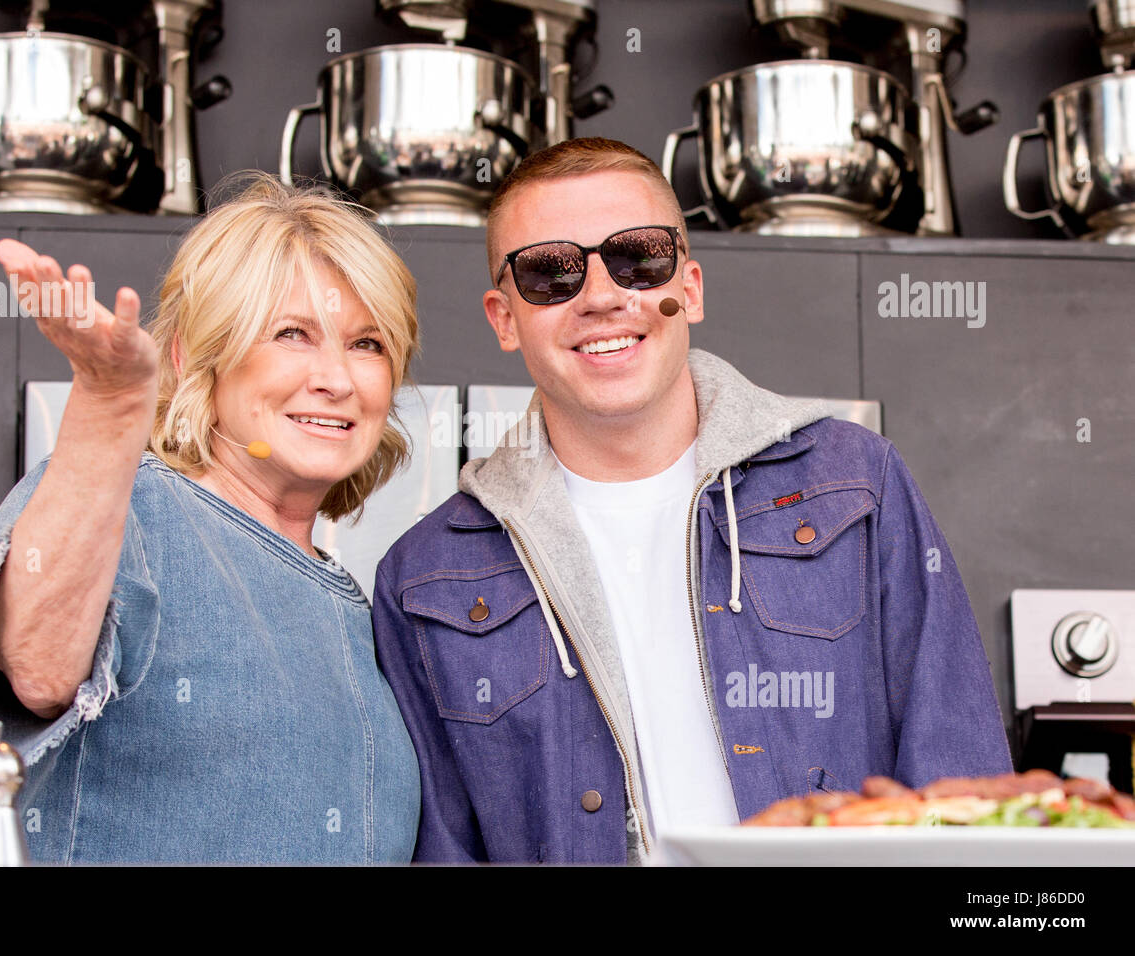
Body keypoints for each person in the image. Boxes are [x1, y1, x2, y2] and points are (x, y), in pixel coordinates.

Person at [370, 137, 1011, 864]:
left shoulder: (857, 481)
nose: (604, 297)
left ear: (693, 287)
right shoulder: (423, 578)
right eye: (551, 273)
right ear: (504, 317)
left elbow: (965, 792)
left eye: (638, 257)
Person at [0, 172, 421, 864]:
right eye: (291, 334)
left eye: (367, 344)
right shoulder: (134, 505)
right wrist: (110, 403)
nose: (336, 378)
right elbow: (36, 671)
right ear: (193, 356)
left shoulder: (360, 613)